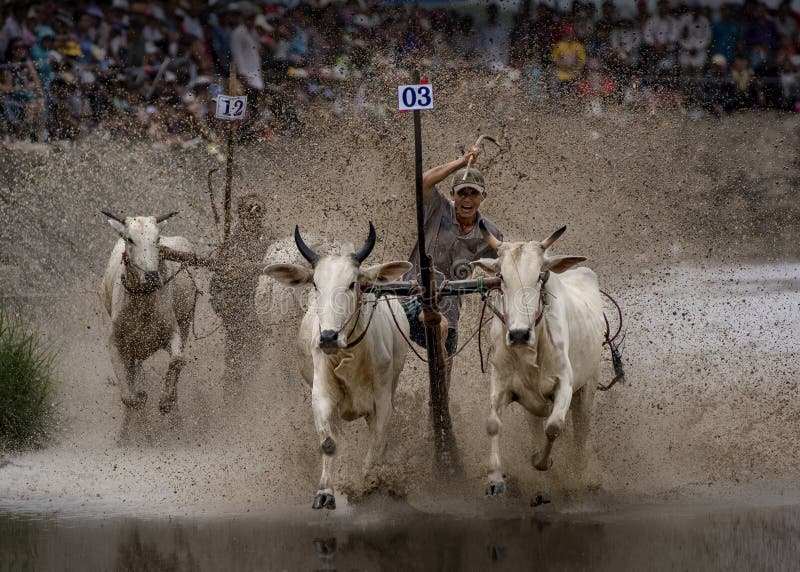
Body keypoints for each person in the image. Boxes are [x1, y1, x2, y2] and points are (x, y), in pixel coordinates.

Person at [402, 145, 503, 362]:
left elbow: (506, 267)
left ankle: (439, 396)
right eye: (462, 193)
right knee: (438, 325)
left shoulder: (490, 233)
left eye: (473, 193)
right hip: (410, 297)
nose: (467, 200)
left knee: (446, 358)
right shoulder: (438, 207)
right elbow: (424, 182)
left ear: (483, 196)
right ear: (452, 195)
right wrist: (462, 160)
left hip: (449, 309)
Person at [210, 193, 271, 390]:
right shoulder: (230, 238)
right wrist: (222, 304)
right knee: (235, 352)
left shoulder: (269, 237)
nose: (254, 218)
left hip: (263, 301)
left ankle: (251, 386)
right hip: (236, 302)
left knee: (256, 351)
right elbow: (217, 275)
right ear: (241, 215)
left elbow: (281, 256)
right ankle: (232, 390)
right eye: (250, 213)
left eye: (258, 213)